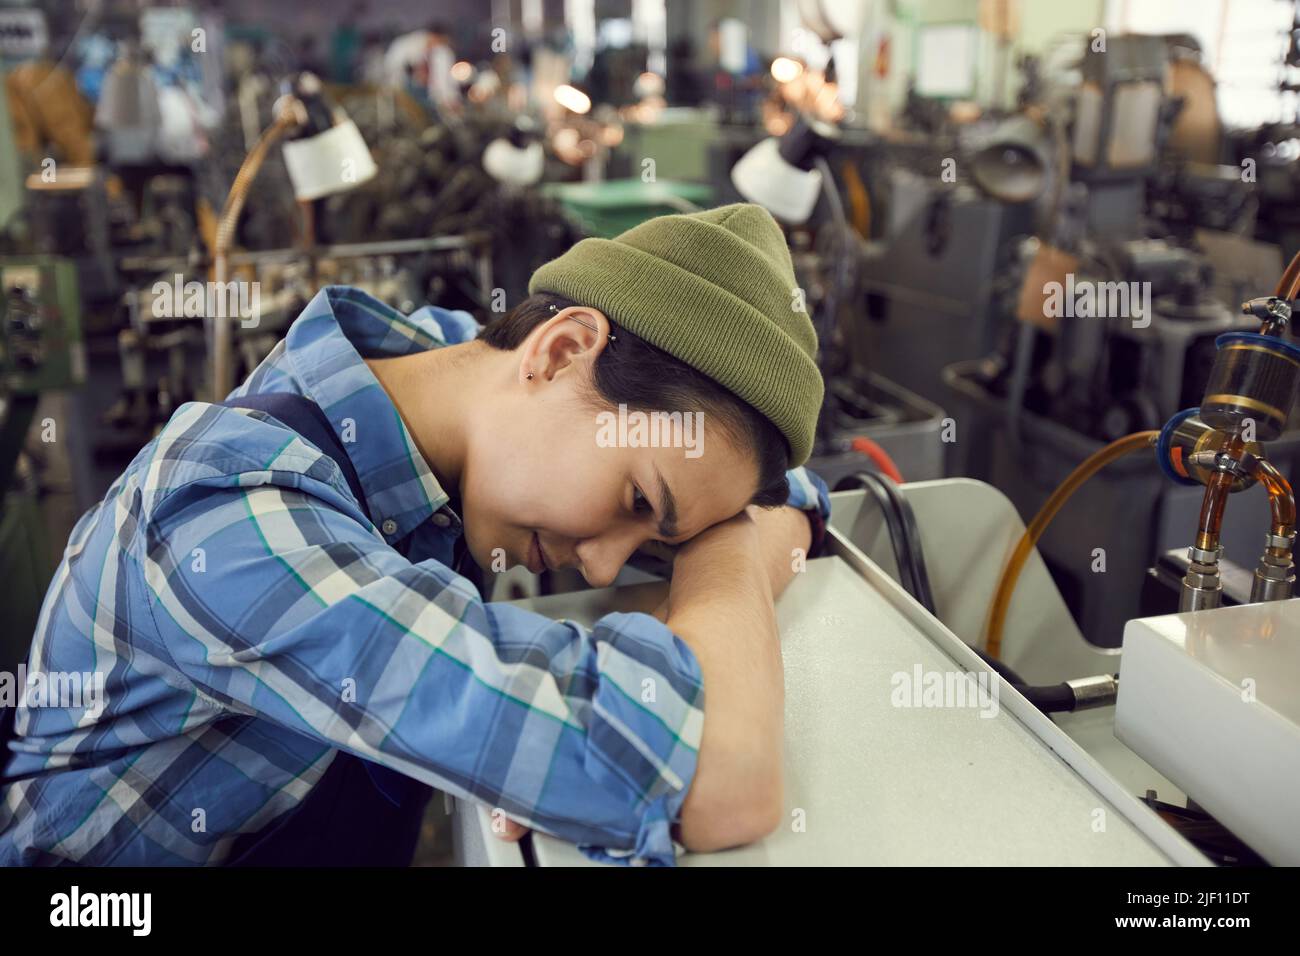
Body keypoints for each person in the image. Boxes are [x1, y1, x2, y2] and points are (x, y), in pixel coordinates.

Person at [0, 203, 831, 866]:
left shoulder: (446, 368)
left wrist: (716, 523)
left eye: (652, 529)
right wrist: (735, 553)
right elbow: (724, 781)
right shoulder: (229, 519)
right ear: (560, 349)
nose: (610, 559)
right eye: (637, 501)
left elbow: (787, 492)